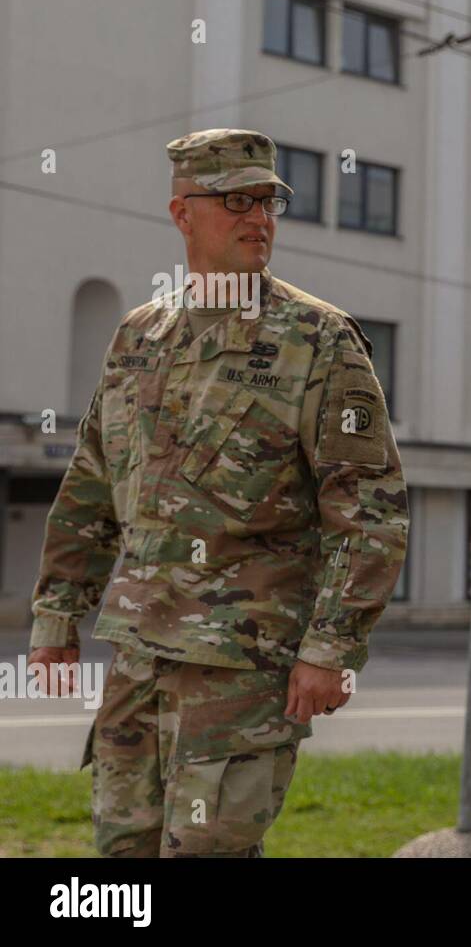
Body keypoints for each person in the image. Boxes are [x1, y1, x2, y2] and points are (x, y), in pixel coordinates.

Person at [28, 128, 408, 857]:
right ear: (183, 213)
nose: (258, 219)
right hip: (138, 659)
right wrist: (56, 618)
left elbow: (370, 514)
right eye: (236, 201)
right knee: (121, 860)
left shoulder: (319, 340)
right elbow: (90, 487)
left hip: (244, 665)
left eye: (269, 201)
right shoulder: (141, 335)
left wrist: (331, 648)